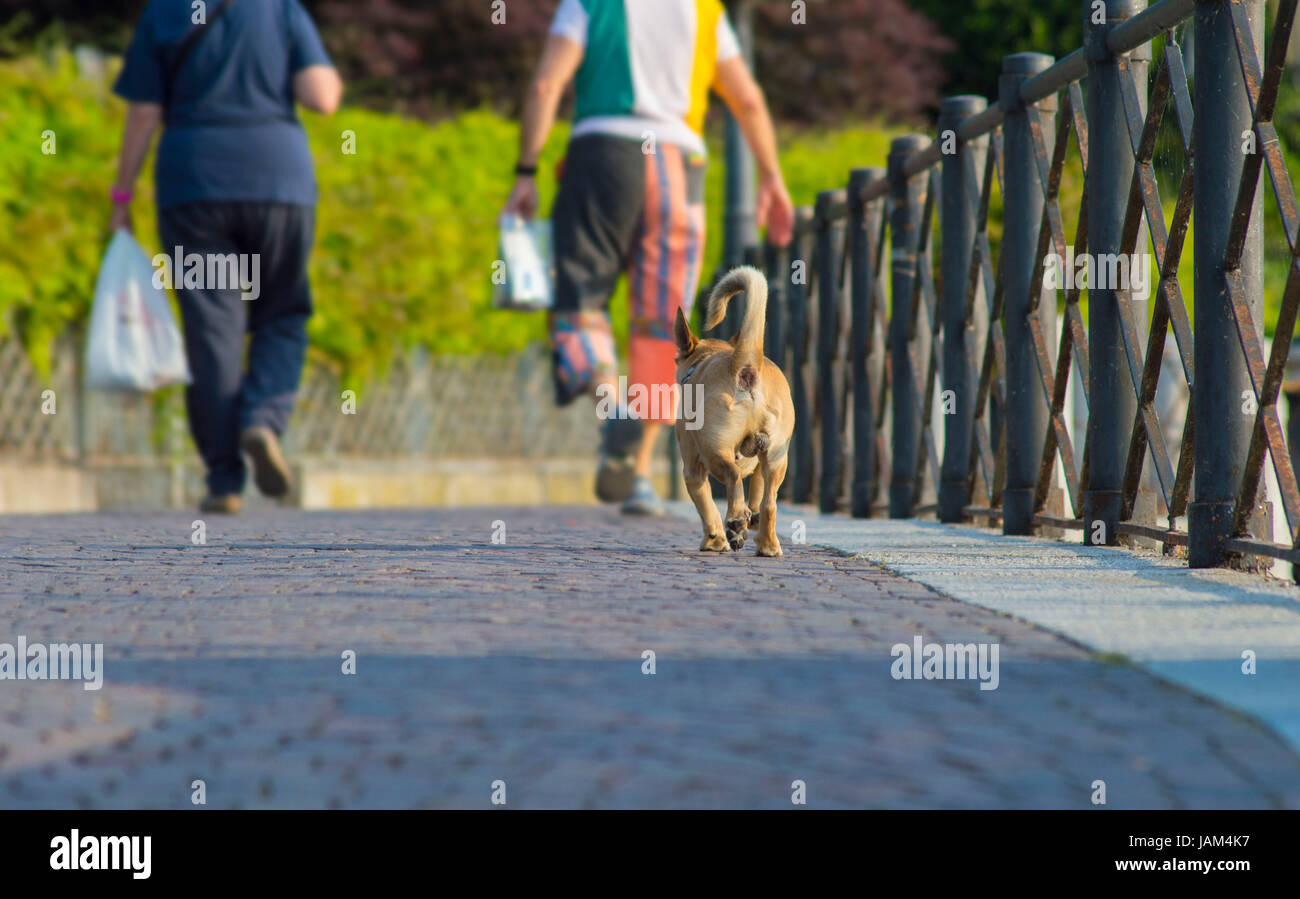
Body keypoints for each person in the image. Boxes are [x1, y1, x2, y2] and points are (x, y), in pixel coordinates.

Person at [503, 0, 794, 516]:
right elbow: (746, 99)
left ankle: (611, 403)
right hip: (681, 163)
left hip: (602, 158)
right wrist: (771, 178)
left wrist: (525, 171)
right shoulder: (705, 9)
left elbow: (546, 84)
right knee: (664, 323)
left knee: (581, 301)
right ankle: (637, 474)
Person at [109, 0, 342, 514]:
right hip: (277, 182)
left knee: (212, 328)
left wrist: (122, 196)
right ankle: (263, 418)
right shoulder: (281, 11)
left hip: (194, 185)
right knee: (281, 313)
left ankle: (223, 479)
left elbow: (144, 113)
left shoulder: (164, 12)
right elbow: (322, 98)